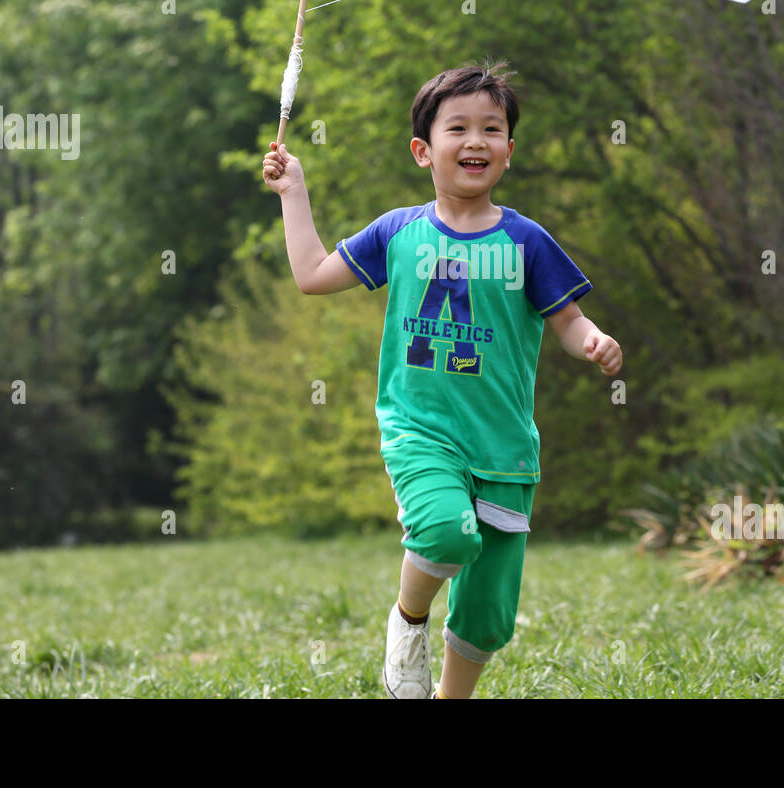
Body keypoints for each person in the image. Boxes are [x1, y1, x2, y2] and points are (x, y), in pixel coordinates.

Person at [262, 59, 622, 698]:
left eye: (492, 129)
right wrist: (295, 193)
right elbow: (312, 273)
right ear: (423, 150)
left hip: (505, 448)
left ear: (509, 150)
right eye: (458, 128)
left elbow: (566, 319)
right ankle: (408, 619)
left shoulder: (527, 242)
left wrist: (590, 339)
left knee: (487, 615)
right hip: (421, 429)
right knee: (443, 531)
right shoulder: (397, 231)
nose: (476, 141)